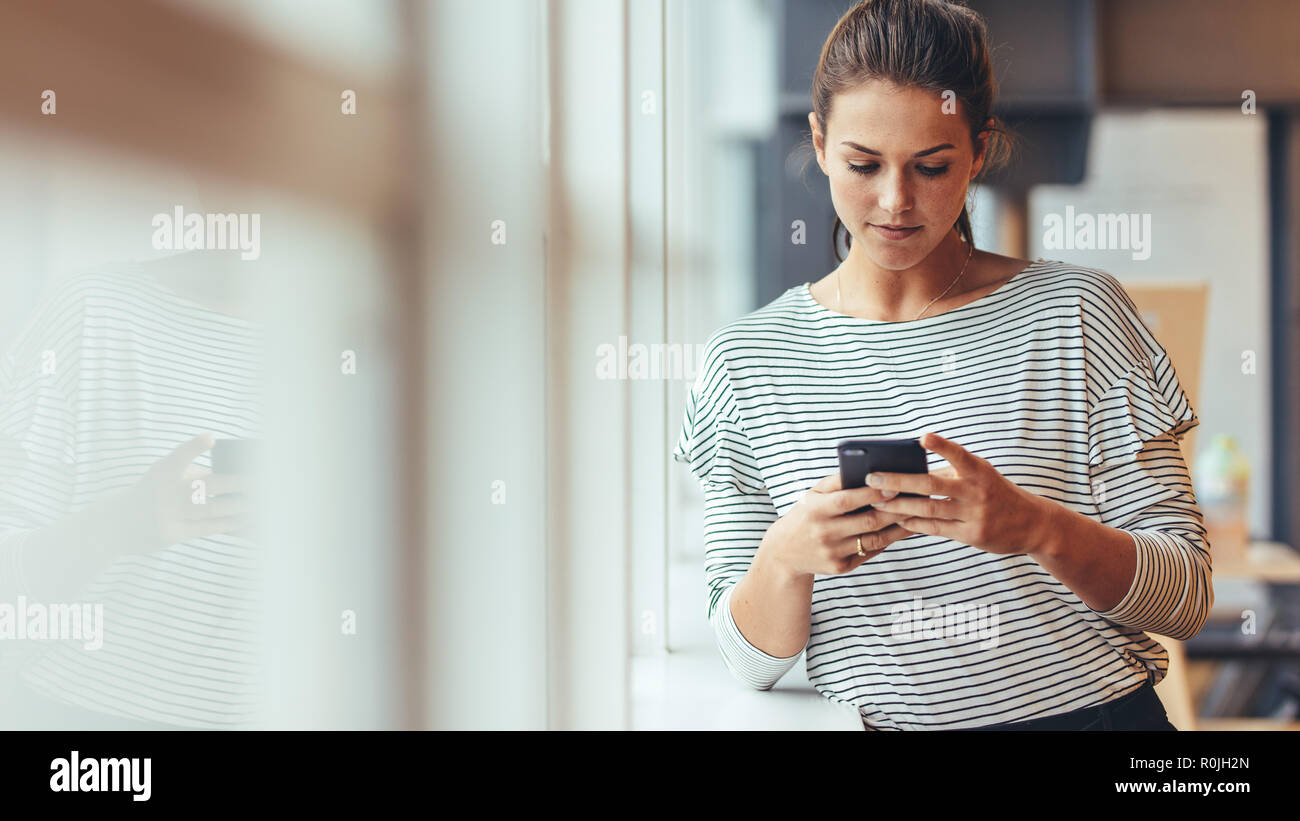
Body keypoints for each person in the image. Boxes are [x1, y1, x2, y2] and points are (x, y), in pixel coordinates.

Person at [671, 0, 1210, 730]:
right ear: (820, 142)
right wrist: (786, 556)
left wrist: (1036, 527)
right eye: (864, 164)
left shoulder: (1078, 313)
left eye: (931, 166)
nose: (896, 202)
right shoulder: (747, 362)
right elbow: (750, 661)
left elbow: (1186, 596)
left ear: (979, 150)